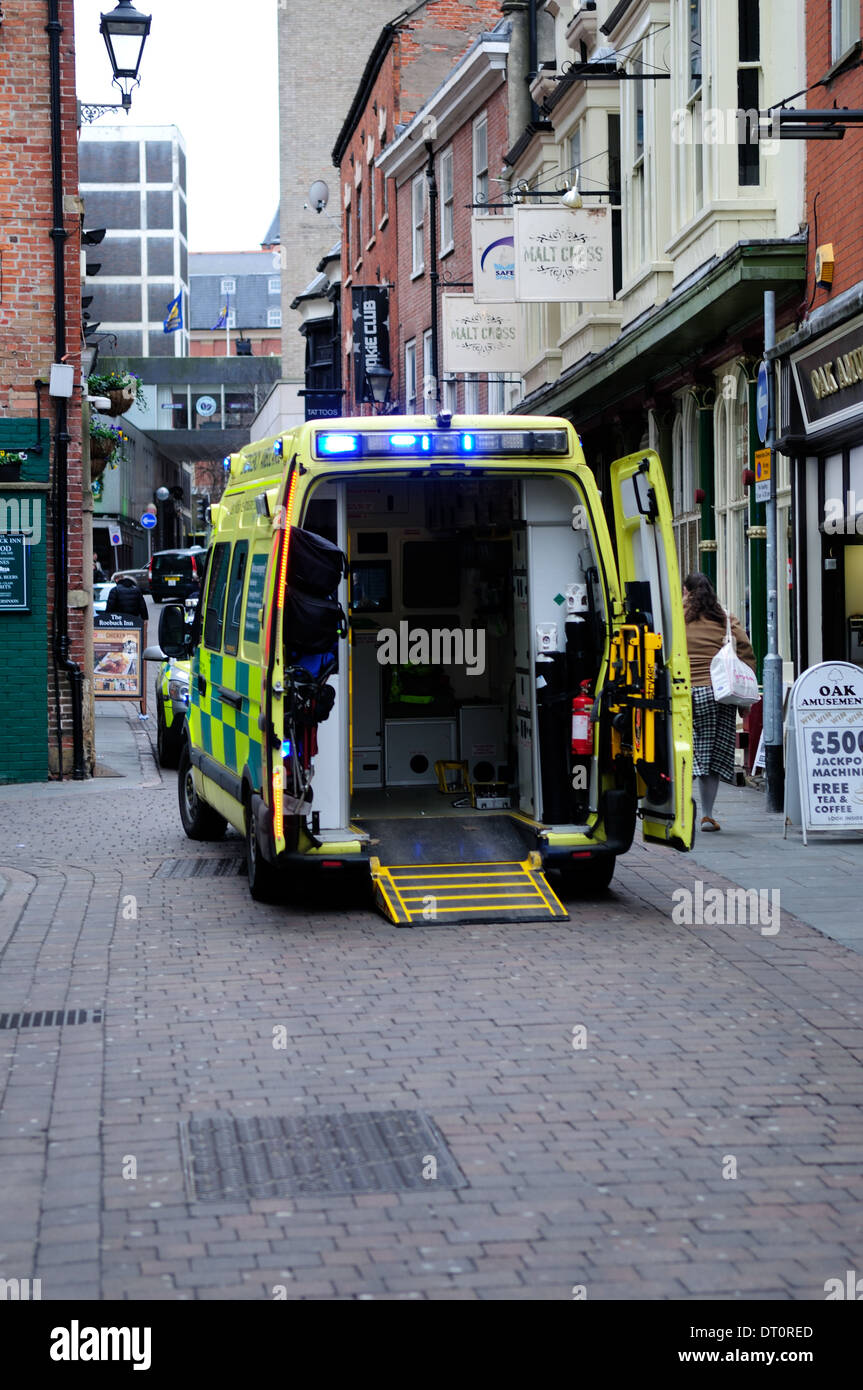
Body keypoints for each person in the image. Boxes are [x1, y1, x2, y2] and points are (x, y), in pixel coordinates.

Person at [683, 571, 756, 833]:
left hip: (682, 692)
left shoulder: (675, 616)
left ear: (685, 591)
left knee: (683, 752)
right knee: (711, 756)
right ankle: (707, 815)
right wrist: (744, 701)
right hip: (717, 694)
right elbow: (745, 650)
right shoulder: (725, 618)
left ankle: (681, 807)